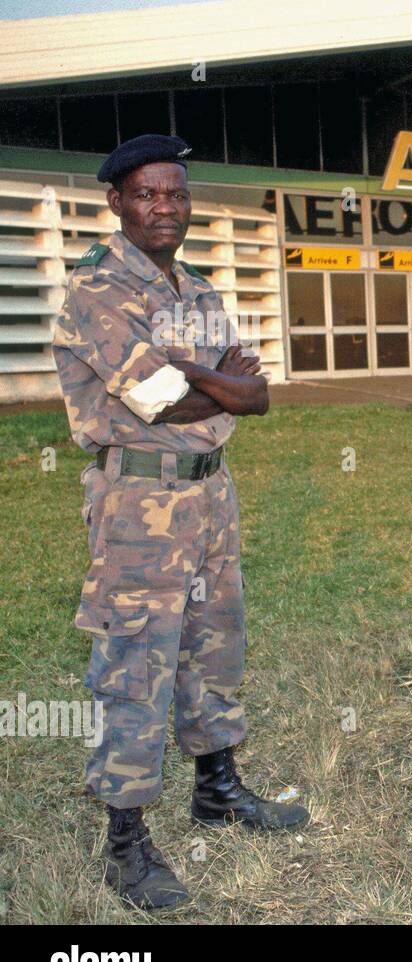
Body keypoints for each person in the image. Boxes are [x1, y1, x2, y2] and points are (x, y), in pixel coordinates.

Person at [53, 134, 308, 911]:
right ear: (117, 203)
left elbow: (254, 396)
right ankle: (125, 840)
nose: (165, 206)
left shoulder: (199, 290)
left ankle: (218, 788)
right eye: (148, 194)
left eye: (176, 194)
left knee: (214, 642)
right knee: (137, 662)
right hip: (139, 505)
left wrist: (193, 379)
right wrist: (211, 381)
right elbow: (157, 398)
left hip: (210, 494)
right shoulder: (96, 290)